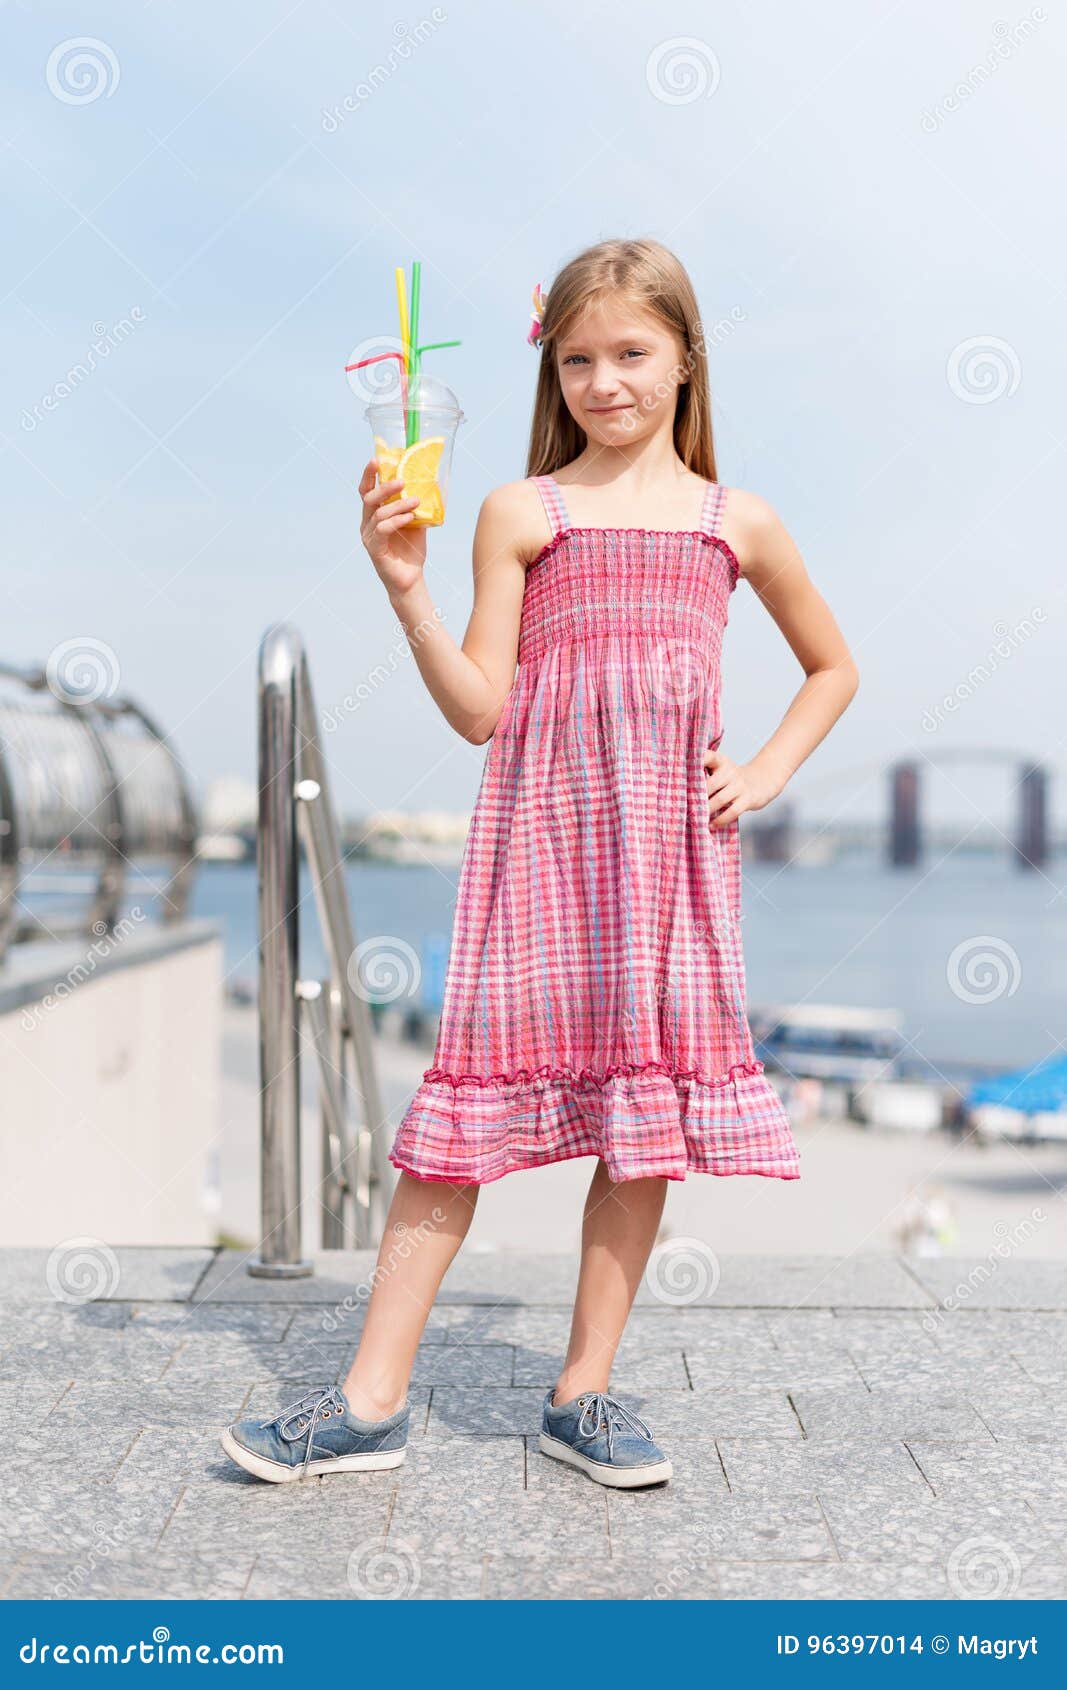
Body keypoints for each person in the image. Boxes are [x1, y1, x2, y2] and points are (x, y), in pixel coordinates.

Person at [221, 237, 858, 1490]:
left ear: (684, 359)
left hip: (670, 867)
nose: (602, 380)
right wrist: (401, 588)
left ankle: (584, 1393)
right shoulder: (523, 510)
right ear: (547, 365)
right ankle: (367, 1399)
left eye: (630, 352)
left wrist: (767, 772)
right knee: (451, 1130)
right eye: (576, 357)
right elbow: (476, 708)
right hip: (536, 855)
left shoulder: (739, 521)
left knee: (640, 1135)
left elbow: (831, 666)